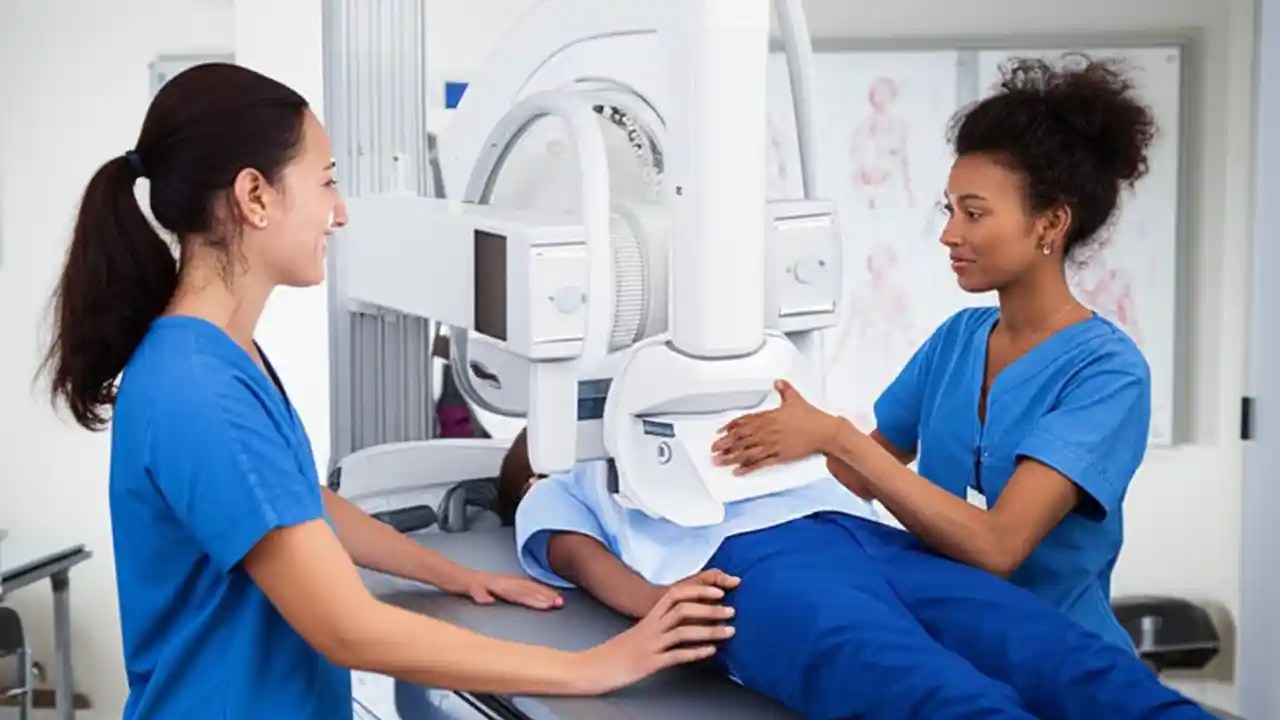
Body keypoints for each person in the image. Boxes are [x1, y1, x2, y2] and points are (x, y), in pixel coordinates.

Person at [38, 63, 731, 720]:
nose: (338, 213)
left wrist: (450, 575)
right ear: (255, 197)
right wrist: (590, 668)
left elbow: (293, 500)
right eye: (325, 182)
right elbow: (348, 628)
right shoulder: (198, 389)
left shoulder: (213, 357)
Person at [714, 54, 1157, 651]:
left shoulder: (1108, 373)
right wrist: (749, 442)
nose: (950, 233)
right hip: (952, 645)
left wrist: (834, 435)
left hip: (1064, 661)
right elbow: (859, 475)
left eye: (974, 213)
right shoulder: (958, 339)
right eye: (949, 210)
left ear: (1050, 223)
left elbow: (998, 546)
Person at [495, 429, 1212, 720]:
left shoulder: (669, 430)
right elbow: (576, 557)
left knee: (1058, 654)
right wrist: (660, 604)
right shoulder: (561, 481)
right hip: (748, 574)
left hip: (874, 540)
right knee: (932, 691)